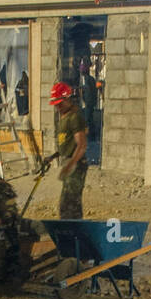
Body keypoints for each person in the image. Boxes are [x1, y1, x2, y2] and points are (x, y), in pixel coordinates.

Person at [49, 81, 89, 219]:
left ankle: (75, 232)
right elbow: (66, 144)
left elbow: (82, 145)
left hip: (76, 165)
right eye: (56, 104)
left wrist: (70, 165)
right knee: (66, 203)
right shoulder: (64, 118)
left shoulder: (74, 118)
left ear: (68, 99)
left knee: (70, 203)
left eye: (60, 103)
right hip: (69, 162)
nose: (58, 107)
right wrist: (53, 156)